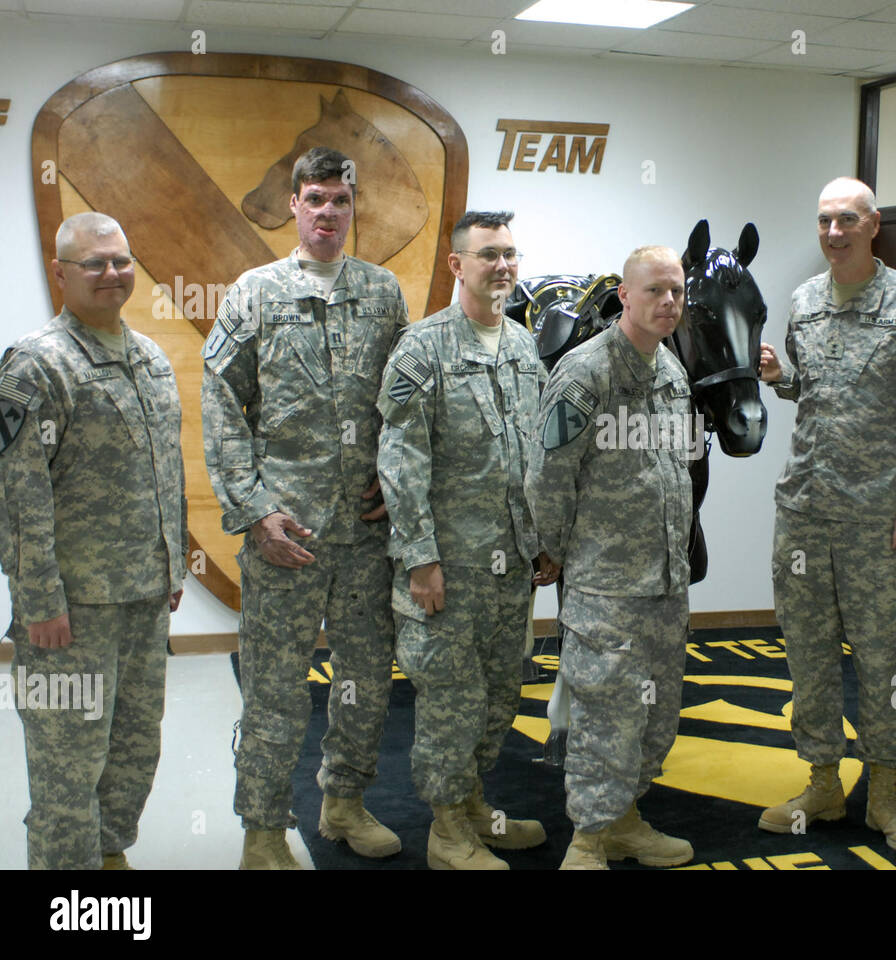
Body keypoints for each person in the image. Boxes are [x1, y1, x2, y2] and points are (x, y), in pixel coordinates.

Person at [202, 146, 407, 869]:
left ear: (355, 208)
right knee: (274, 691)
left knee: (365, 678)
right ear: (293, 205)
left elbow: (400, 405)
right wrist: (256, 513)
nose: (328, 212)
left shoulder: (383, 294)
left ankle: (344, 803)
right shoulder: (253, 293)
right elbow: (222, 407)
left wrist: (398, 475)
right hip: (285, 533)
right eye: (315, 199)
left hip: (363, 534)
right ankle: (262, 832)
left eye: (340, 200)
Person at [756, 177, 896, 850]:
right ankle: (821, 782)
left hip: (880, 517)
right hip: (805, 510)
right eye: (824, 220)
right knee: (809, 653)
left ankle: (884, 794)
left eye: (847, 219)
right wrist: (779, 377)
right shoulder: (805, 301)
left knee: (879, 659)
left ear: (874, 224)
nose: (834, 231)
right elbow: (817, 394)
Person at [0, 212, 186, 869]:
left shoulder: (150, 359)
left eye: (121, 261)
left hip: (140, 598)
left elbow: (165, 471)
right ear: (60, 273)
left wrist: (170, 572)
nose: (112, 273)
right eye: (95, 263)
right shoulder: (32, 365)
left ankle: (107, 858)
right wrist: (39, 600)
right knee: (67, 765)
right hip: (70, 613)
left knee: (135, 748)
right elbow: (17, 496)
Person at [377, 211, 557, 870]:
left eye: (510, 254)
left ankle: (476, 805)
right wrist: (420, 559)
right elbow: (400, 461)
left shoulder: (520, 346)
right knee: (452, 701)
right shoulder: (422, 349)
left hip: (510, 567)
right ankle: (447, 829)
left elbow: (536, 453)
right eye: (488, 255)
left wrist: (542, 540)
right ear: (457, 265)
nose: (503, 266)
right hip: (448, 568)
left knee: (501, 694)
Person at [525, 245, 696, 870]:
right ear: (624, 296)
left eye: (676, 291)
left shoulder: (672, 373)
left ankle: (625, 818)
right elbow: (548, 477)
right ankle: (588, 840)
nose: (668, 303)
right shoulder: (583, 372)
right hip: (605, 584)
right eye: (654, 291)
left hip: (665, 583)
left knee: (655, 711)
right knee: (603, 712)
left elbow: (678, 472)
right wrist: (559, 555)